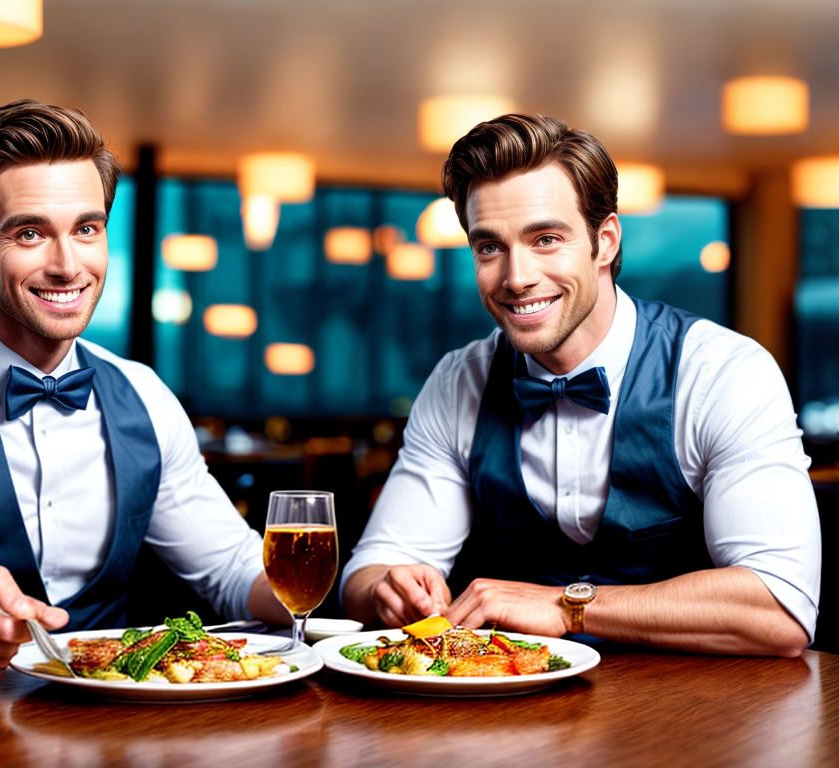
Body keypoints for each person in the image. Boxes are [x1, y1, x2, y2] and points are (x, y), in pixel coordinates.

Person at [0, 99, 287, 678]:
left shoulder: (143, 393)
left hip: (113, 735)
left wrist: (345, 597)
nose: (68, 265)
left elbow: (234, 571)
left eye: (86, 229)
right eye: (31, 233)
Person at [342, 114, 820, 657]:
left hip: (698, 715)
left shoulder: (722, 373)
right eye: (489, 247)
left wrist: (565, 606)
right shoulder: (460, 381)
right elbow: (364, 576)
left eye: (546, 239)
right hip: (518, 713)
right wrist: (390, 590)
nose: (516, 277)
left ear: (605, 242)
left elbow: (781, 606)